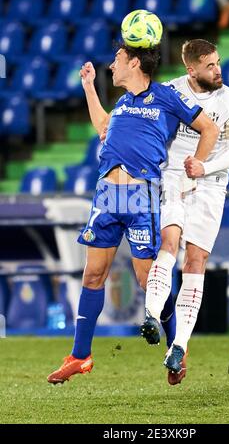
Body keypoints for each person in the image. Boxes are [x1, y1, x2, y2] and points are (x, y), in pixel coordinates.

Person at [47, 43, 219, 384]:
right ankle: (80, 356)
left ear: (134, 62)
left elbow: (209, 129)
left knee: (147, 281)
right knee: (93, 276)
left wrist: (195, 167)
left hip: (141, 199)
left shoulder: (167, 97)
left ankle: (176, 350)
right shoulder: (123, 104)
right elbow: (102, 129)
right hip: (106, 197)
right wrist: (88, 88)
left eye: (117, 60)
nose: (112, 66)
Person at [140, 39, 229, 385]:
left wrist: (203, 165)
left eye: (218, 63)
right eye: (211, 65)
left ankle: (179, 347)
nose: (218, 70)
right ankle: (152, 316)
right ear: (191, 69)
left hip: (212, 183)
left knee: (195, 261)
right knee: (169, 242)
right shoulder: (171, 92)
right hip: (173, 175)